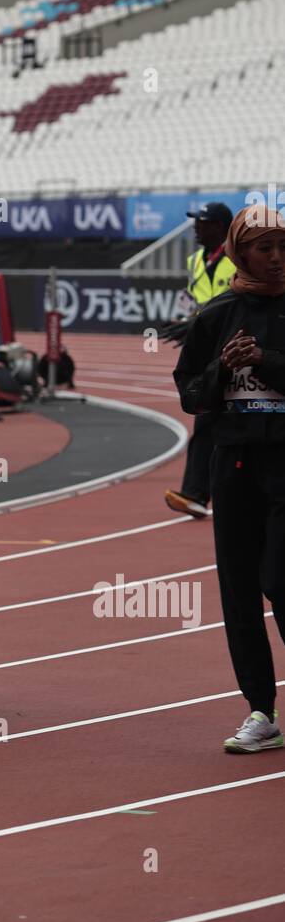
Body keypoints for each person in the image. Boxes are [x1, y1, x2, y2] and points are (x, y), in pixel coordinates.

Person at [174, 203, 285, 753]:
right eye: (264, 248)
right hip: (234, 466)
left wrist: (264, 360)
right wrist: (223, 368)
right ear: (242, 251)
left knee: (281, 582)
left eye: (283, 248)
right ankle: (261, 711)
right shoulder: (216, 315)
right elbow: (191, 395)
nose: (276, 258)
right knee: (239, 593)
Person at [165, 201, 236, 519]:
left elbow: (236, 303)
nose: (196, 227)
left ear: (221, 227)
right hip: (207, 351)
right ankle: (198, 493)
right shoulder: (195, 260)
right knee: (208, 421)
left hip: (232, 348)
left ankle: (198, 493)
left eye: (203, 222)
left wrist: (195, 324)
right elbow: (199, 305)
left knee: (212, 423)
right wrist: (190, 324)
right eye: (195, 221)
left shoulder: (239, 257)